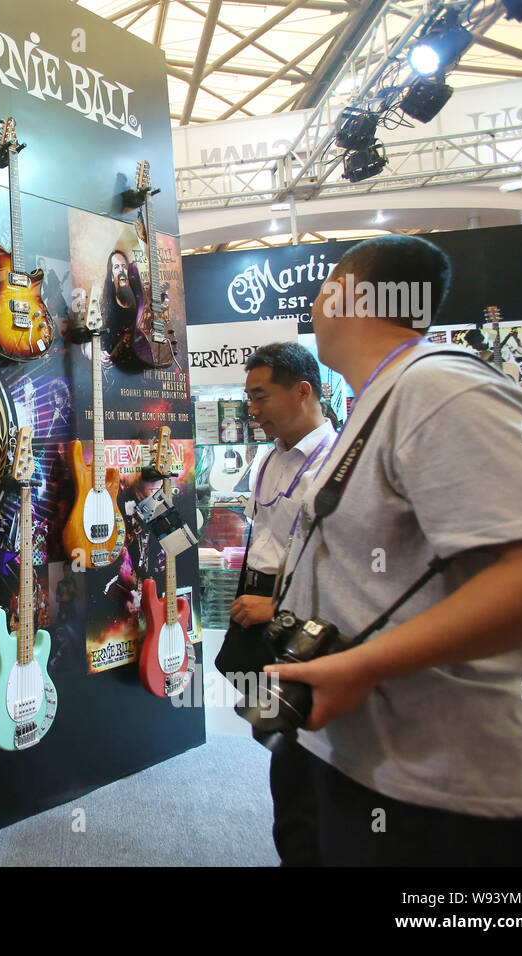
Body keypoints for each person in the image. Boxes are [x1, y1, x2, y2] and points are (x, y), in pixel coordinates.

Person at [265, 235, 522, 866]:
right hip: (368, 759)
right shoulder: (382, 396)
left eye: (326, 287)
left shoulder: (440, 387)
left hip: (438, 792)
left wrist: (364, 665)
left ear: (351, 295)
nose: (316, 304)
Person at [215, 341, 335, 867]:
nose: (252, 410)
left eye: (261, 396)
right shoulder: (270, 460)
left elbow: (333, 561)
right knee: (277, 740)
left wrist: (278, 608)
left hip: (301, 619)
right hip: (260, 607)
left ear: (303, 390)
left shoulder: (333, 463)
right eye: (248, 397)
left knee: (310, 754)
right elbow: (267, 537)